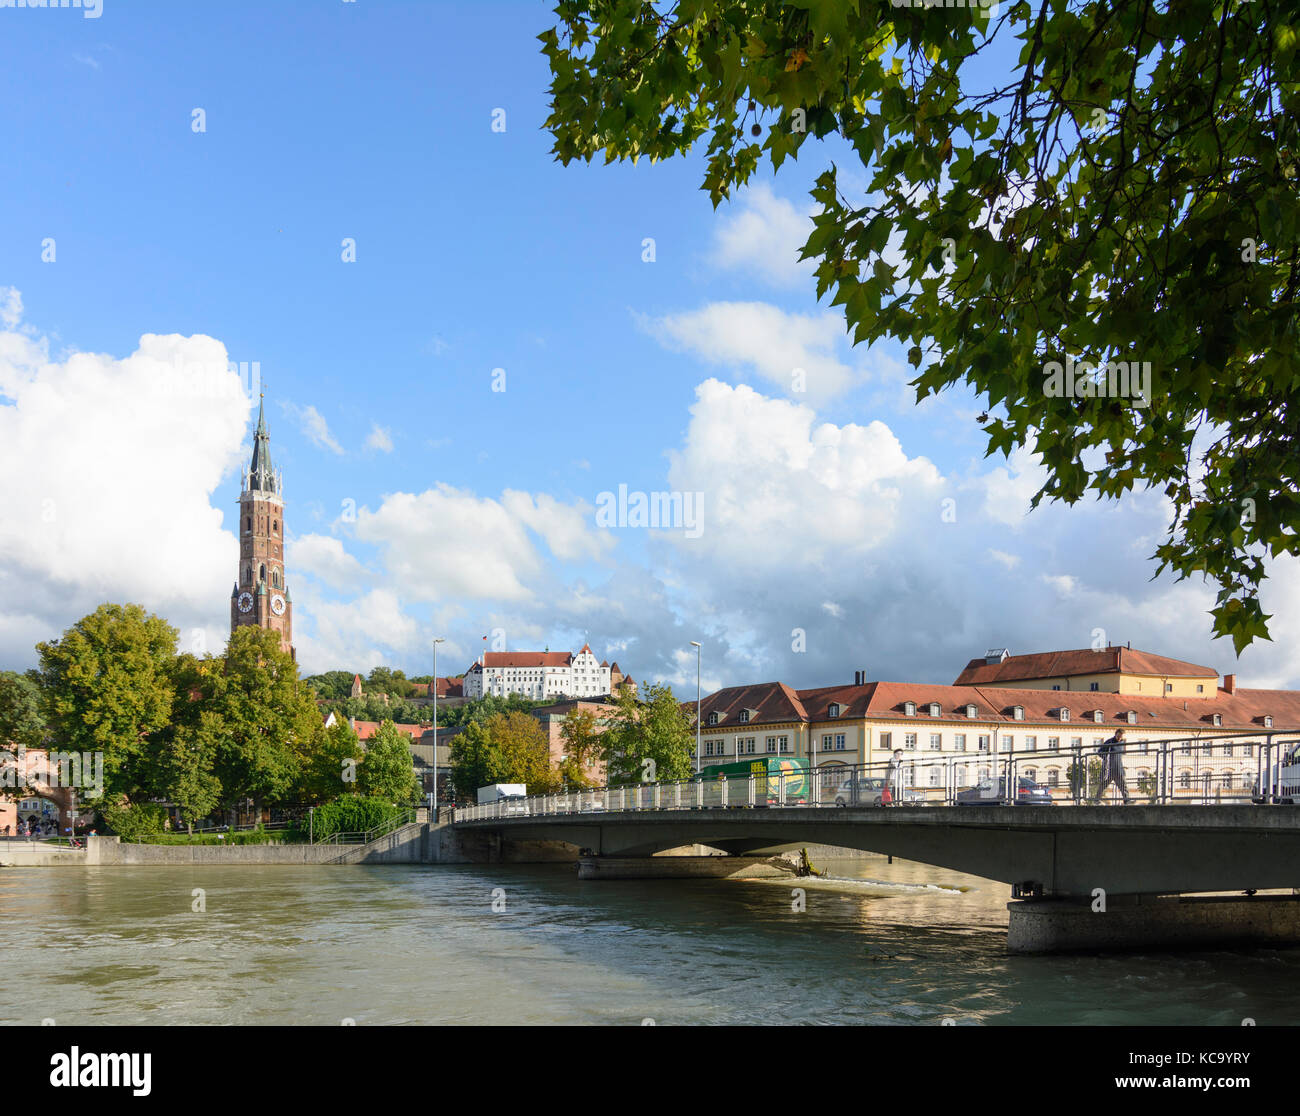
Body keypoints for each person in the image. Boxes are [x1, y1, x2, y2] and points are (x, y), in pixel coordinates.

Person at [1095, 727, 1132, 804]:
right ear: (1115, 734)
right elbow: (1099, 751)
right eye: (1118, 736)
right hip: (1109, 769)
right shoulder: (1109, 742)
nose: (1119, 738)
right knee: (1103, 785)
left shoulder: (1122, 743)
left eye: (1121, 737)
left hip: (1119, 768)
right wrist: (1106, 758)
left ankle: (1127, 800)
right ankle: (1096, 800)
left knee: (1123, 785)